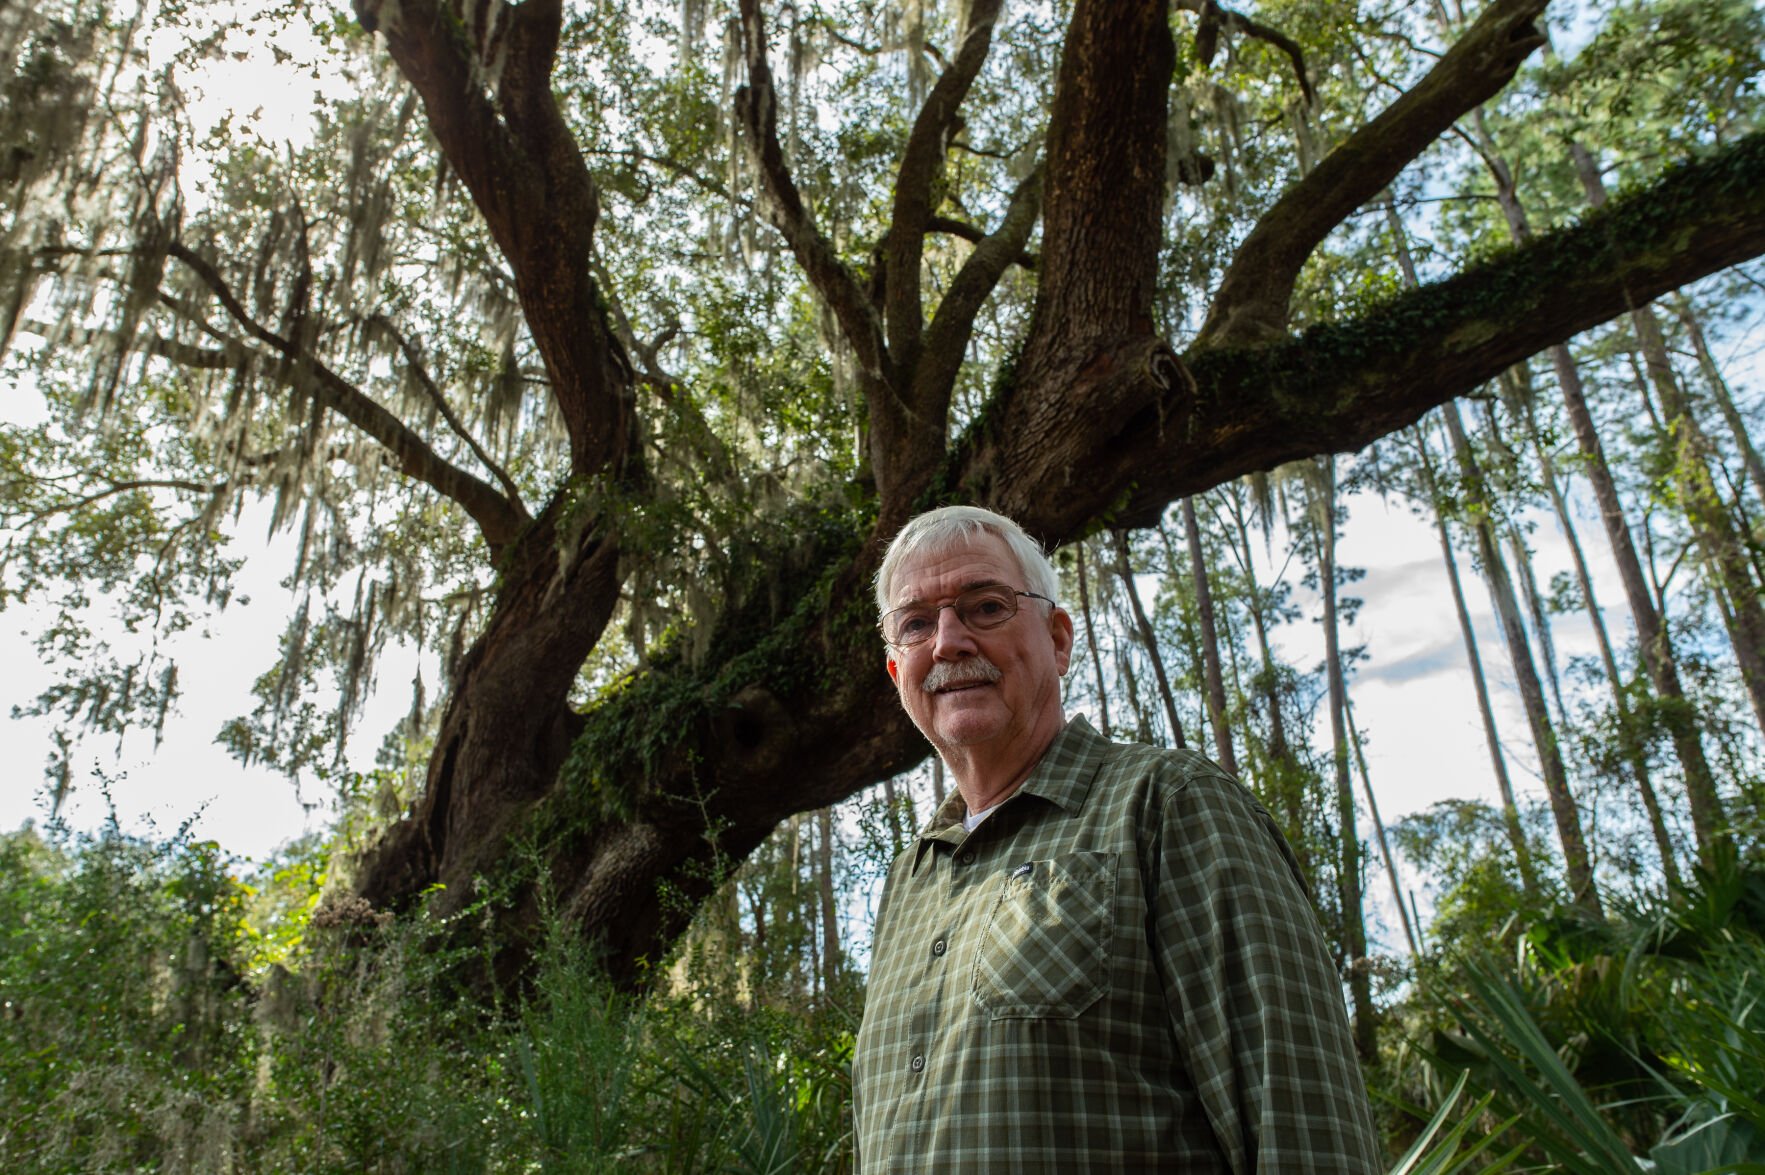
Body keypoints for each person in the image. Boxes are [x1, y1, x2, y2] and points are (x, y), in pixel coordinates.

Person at [851, 505, 1384, 1173]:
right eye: (916, 624)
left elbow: (1301, 1118)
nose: (948, 641)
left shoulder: (1166, 803)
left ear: (1059, 638)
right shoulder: (911, 876)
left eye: (984, 606)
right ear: (898, 673)